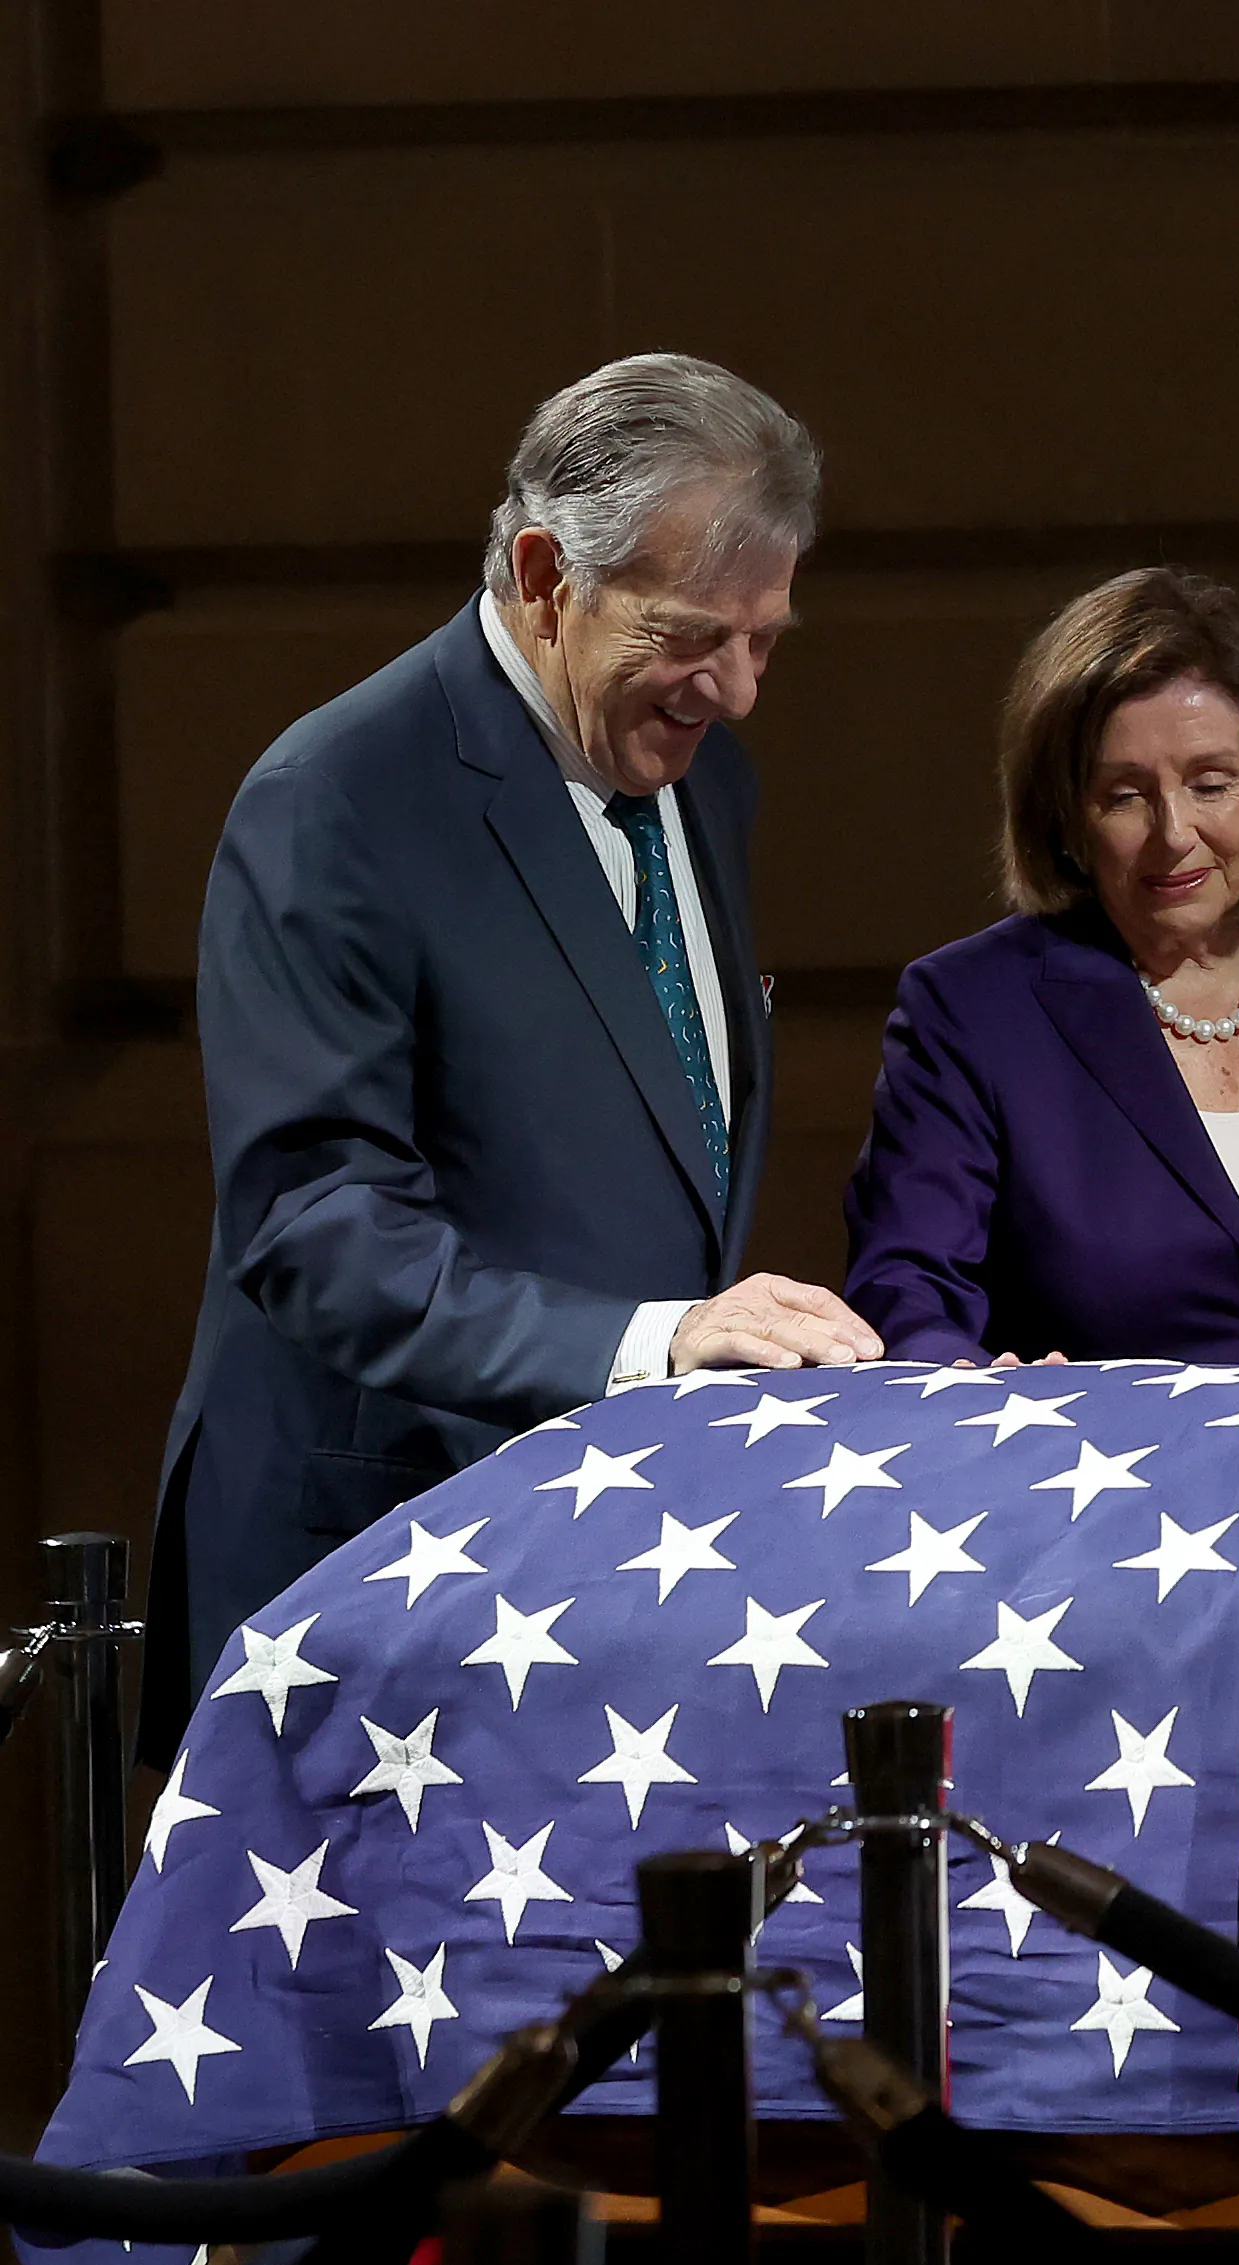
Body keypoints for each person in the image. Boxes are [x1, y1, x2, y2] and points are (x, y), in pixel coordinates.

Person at [148, 354, 875, 1745]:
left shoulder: (702, 776)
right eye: (694, 635)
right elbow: (314, 1228)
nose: (738, 690)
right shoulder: (335, 799)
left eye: (766, 637)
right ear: (546, 576)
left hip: (606, 1569)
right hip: (378, 1580)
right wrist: (656, 1343)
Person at [845, 569, 1239, 1362]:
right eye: (1124, 795)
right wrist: (978, 1384)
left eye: (1211, 784)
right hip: (1098, 1441)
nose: (1175, 832)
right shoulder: (972, 1008)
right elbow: (906, 1289)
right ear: (1065, 815)